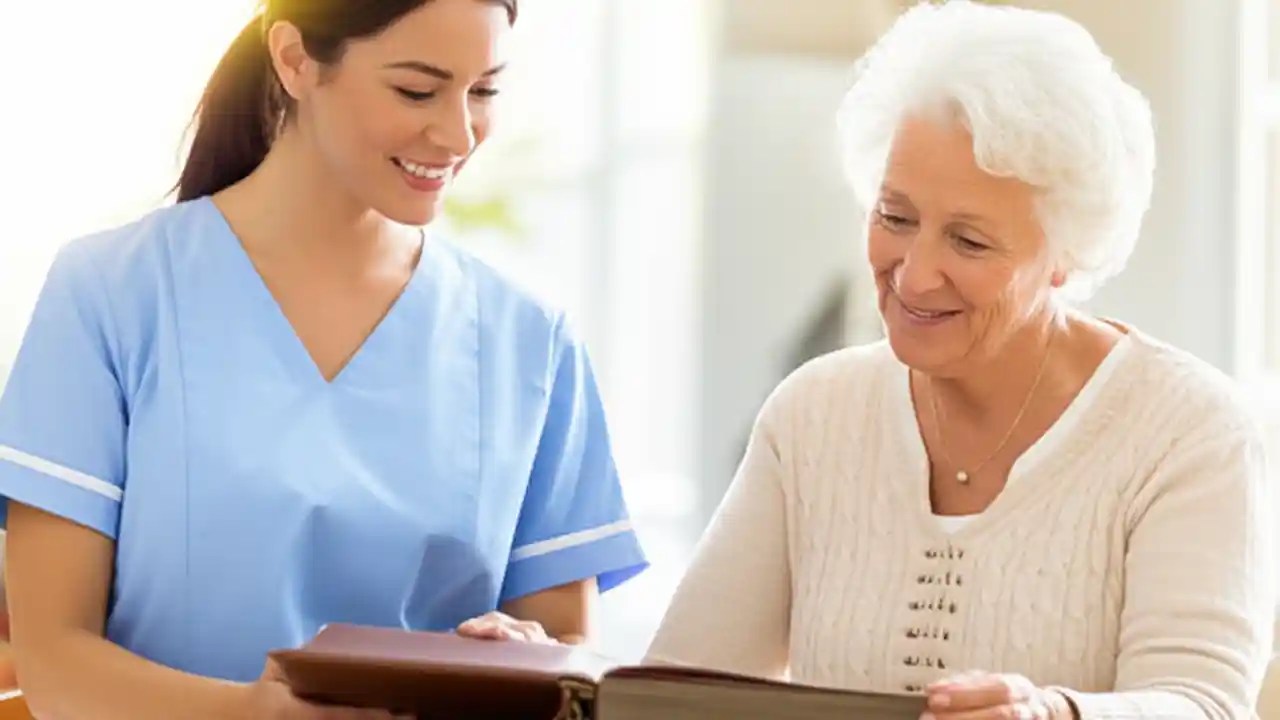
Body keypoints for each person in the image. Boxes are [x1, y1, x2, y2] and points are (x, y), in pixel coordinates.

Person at [0, 1, 647, 718]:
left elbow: (569, 660)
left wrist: (532, 657)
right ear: (295, 60)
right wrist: (258, 713)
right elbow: (54, 664)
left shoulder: (531, 341)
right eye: (416, 90)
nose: (459, 133)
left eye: (484, 90)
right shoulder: (112, 293)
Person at [646, 2, 1275, 719]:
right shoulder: (813, 415)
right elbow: (676, 698)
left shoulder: (1188, 432)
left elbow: (1204, 705)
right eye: (895, 217)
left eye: (969, 242)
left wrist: (1053, 716)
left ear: (1065, 256)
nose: (913, 276)